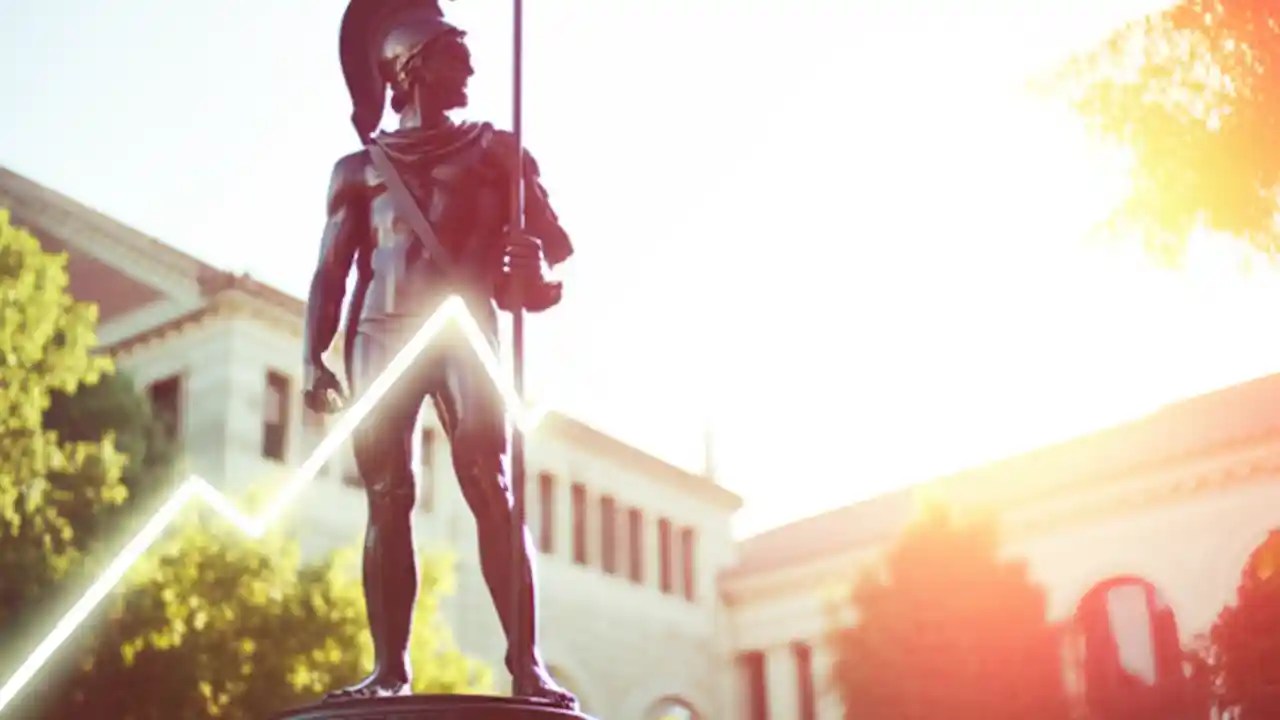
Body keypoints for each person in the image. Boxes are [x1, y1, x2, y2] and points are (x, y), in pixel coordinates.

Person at [301, 0, 576, 708]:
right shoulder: (357, 171)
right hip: (377, 335)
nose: (473, 68)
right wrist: (312, 356)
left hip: (463, 330)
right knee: (388, 498)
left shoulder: (499, 153)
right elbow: (331, 272)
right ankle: (389, 669)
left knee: (490, 483)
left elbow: (543, 277)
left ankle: (528, 664)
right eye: (456, 56)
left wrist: (530, 275)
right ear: (413, 69)